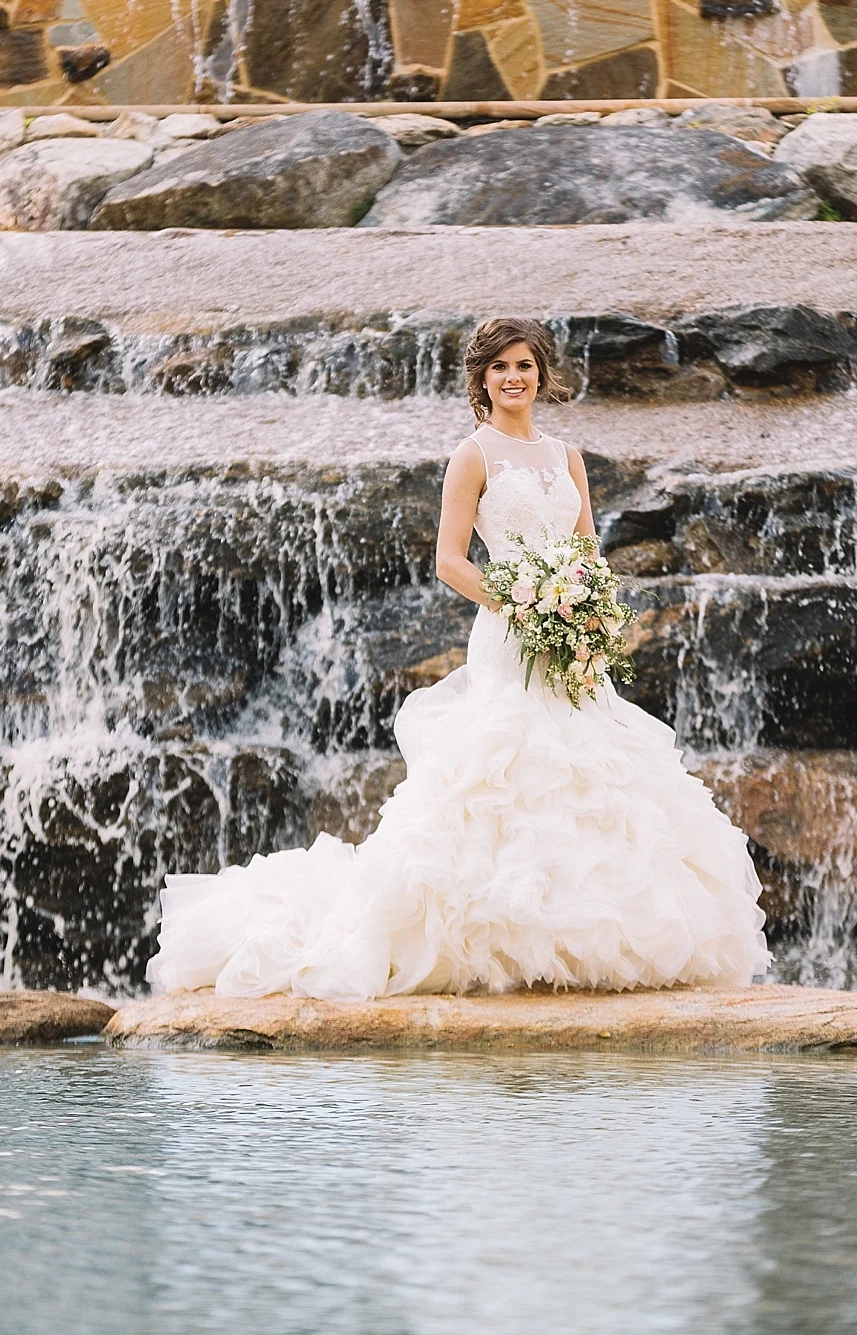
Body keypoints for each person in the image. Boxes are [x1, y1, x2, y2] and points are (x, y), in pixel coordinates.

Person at [146, 318, 768, 1000]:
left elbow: (587, 550)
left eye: (524, 365)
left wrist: (586, 615)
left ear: (541, 373)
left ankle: (580, 937)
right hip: (508, 634)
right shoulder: (472, 456)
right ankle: (491, 940)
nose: (513, 377)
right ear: (482, 379)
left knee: (591, 772)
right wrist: (524, 604)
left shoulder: (567, 456)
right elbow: (449, 561)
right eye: (500, 367)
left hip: (569, 640)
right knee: (504, 774)